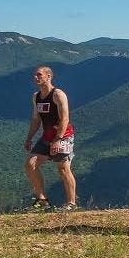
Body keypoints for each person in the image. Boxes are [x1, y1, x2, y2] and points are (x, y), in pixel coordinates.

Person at [23, 65, 78, 211]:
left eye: (39, 75)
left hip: (63, 136)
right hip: (46, 137)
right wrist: (29, 138)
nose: (36, 77)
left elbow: (65, 119)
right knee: (30, 164)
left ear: (49, 76)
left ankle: (71, 203)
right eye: (35, 75)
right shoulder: (36, 97)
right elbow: (36, 119)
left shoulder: (58, 94)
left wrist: (58, 139)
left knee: (63, 168)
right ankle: (42, 200)